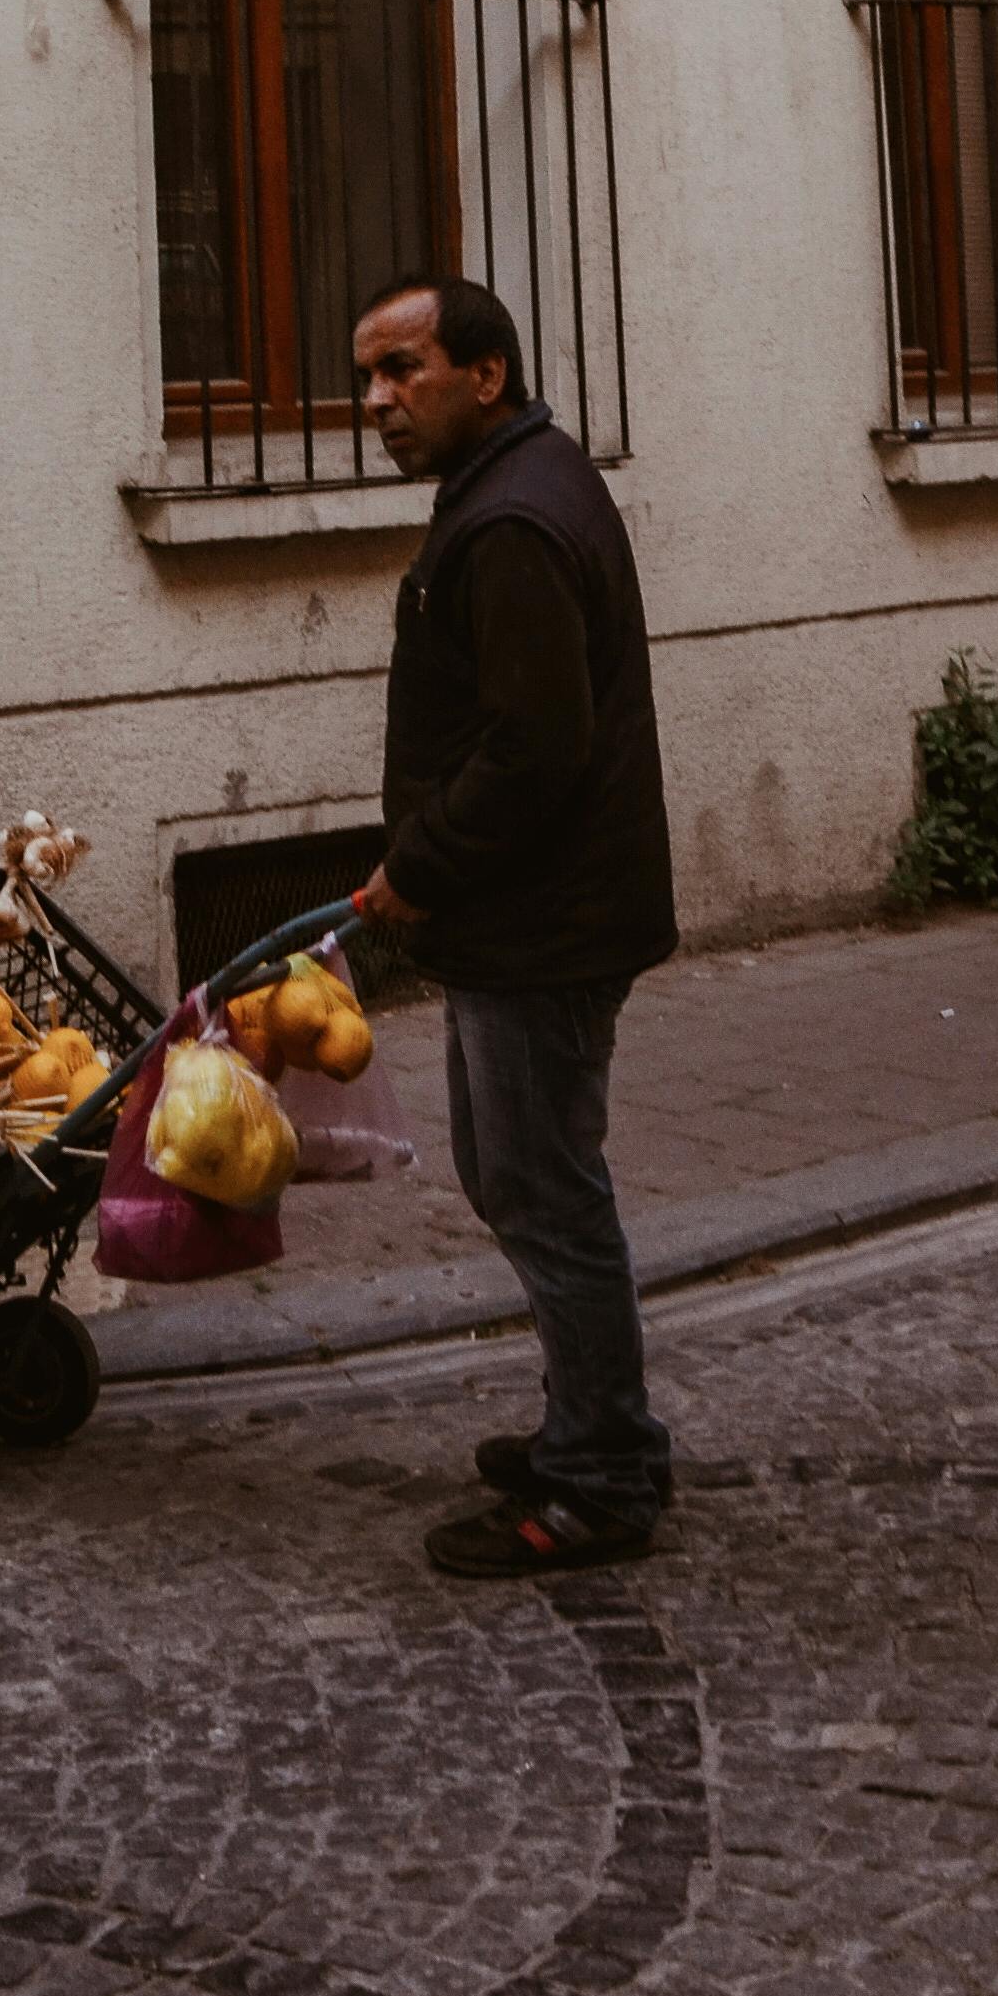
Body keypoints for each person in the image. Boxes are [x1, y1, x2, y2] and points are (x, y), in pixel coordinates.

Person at [350, 272, 677, 1579]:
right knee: (519, 1177)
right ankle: (587, 1425)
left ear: (484, 375)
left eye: (403, 370)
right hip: (537, 915)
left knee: (545, 1189)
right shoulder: (523, 482)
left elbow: (537, 750)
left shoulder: (512, 522)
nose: (377, 401)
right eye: (366, 377)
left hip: (543, 922)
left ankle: (601, 1475)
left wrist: (415, 871)